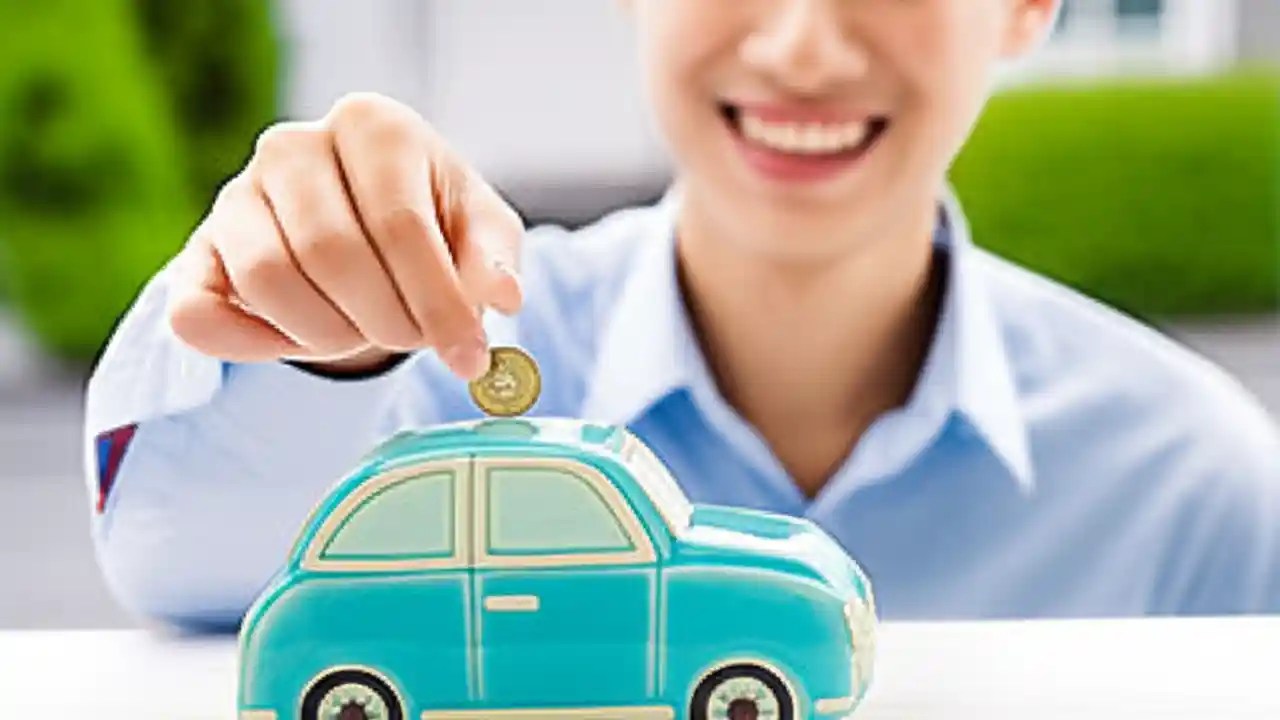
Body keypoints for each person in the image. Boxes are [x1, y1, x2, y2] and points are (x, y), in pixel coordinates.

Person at [84, 0, 1279, 631]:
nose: (800, 45)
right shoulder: (432, 366)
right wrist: (317, 339)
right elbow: (184, 565)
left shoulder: (1191, 483)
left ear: (1025, 6)